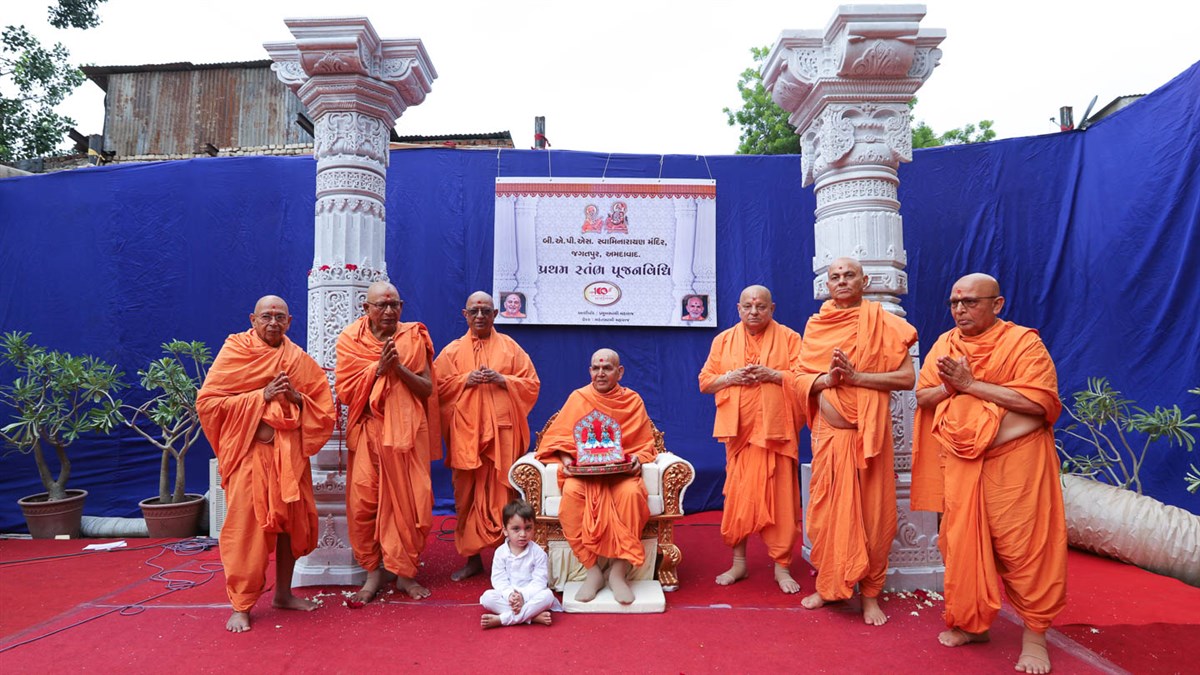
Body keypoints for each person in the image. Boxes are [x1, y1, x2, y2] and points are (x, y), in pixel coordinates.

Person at [912, 273, 1066, 675]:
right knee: (961, 544)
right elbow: (924, 394)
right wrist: (952, 387)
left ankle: (1035, 636)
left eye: (970, 302)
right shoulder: (945, 345)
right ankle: (973, 623)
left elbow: (1039, 402)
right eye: (954, 303)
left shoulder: (1023, 343)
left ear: (997, 305)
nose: (960, 310)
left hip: (1015, 463)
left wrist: (971, 384)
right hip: (962, 465)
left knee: (1023, 546)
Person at [197, 295, 336, 633]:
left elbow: (323, 408)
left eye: (279, 316)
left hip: (288, 458)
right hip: (251, 457)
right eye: (266, 316)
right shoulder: (235, 352)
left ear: (289, 322)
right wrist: (261, 396)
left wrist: (294, 397)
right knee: (248, 531)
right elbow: (209, 403)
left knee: (291, 524)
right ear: (252, 319)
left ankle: (283, 594)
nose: (273, 322)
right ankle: (241, 605)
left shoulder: (297, 359)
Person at [794, 258, 917, 625]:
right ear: (826, 285)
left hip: (871, 440)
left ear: (865, 280)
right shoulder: (816, 326)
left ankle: (871, 596)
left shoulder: (885, 323)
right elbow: (800, 379)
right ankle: (830, 586)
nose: (843, 281)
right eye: (835, 277)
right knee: (826, 516)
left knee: (873, 517)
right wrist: (828, 380)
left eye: (850, 275)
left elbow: (907, 378)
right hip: (830, 440)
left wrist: (857, 377)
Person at [335, 281, 441, 606]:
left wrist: (397, 370)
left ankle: (405, 574)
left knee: (409, 505)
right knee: (364, 502)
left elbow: (426, 388)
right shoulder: (350, 340)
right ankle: (373, 572)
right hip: (369, 433)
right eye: (381, 305)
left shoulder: (413, 337)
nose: (389, 311)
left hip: (407, 438)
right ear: (365, 308)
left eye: (394, 304)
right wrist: (376, 370)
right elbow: (345, 392)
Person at [698, 285, 805, 594]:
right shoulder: (724, 340)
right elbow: (705, 382)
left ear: (773, 308)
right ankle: (739, 562)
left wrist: (771, 374)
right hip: (741, 435)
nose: (754, 311)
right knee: (739, 497)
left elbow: (803, 377)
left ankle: (782, 566)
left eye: (761, 306)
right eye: (748, 306)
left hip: (777, 435)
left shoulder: (790, 338)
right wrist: (731, 377)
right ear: (738, 308)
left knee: (781, 500)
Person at [535, 348, 658, 604]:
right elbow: (557, 439)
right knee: (570, 497)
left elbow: (645, 445)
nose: (600, 373)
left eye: (607, 368)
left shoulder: (632, 401)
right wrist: (567, 461)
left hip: (620, 474)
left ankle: (618, 571)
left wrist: (637, 459)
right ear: (590, 370)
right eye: (595, 368)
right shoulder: (578, 397)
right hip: (584, 473)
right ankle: (593, 572)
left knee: (632, 494)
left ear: (619, 371)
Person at [435, 291, 541, 581]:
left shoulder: (510, 348)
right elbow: (435, 388)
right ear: (465, 315)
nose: (480, 316)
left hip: (501, 439)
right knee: (466, 498)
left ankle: (507, 561)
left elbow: (531, 384)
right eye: (474, 311)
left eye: (486, 311)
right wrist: (463, 380)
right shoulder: (452, 352)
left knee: (503, 497)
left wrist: (503, 380)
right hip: (466, 438)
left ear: (495, 315)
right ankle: (472, 560)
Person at [479, 500, 562, 628]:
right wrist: (510, 595)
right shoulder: (500, 553)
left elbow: (540, 582)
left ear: (534, 528)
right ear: (505, 530)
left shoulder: (538, 553)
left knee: (548, 596)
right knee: (487, 597)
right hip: (509, 598)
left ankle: (503, 619)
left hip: (531, 596)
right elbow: (499, 580)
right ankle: (532, 617)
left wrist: (523, 596)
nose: (523, 534)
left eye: (528, 528)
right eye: (516, 529)